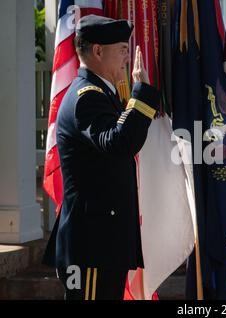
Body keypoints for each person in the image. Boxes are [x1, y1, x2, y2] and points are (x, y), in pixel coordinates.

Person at [43, 15, 160, 300]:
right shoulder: (87, 96)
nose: (126, 56)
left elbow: (125, 143)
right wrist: (141, 96)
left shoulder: (99, 94)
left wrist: (138, 101)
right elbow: (118, 143)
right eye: (121, 48)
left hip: (101, 241)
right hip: (93, 245)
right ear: (97, 51)